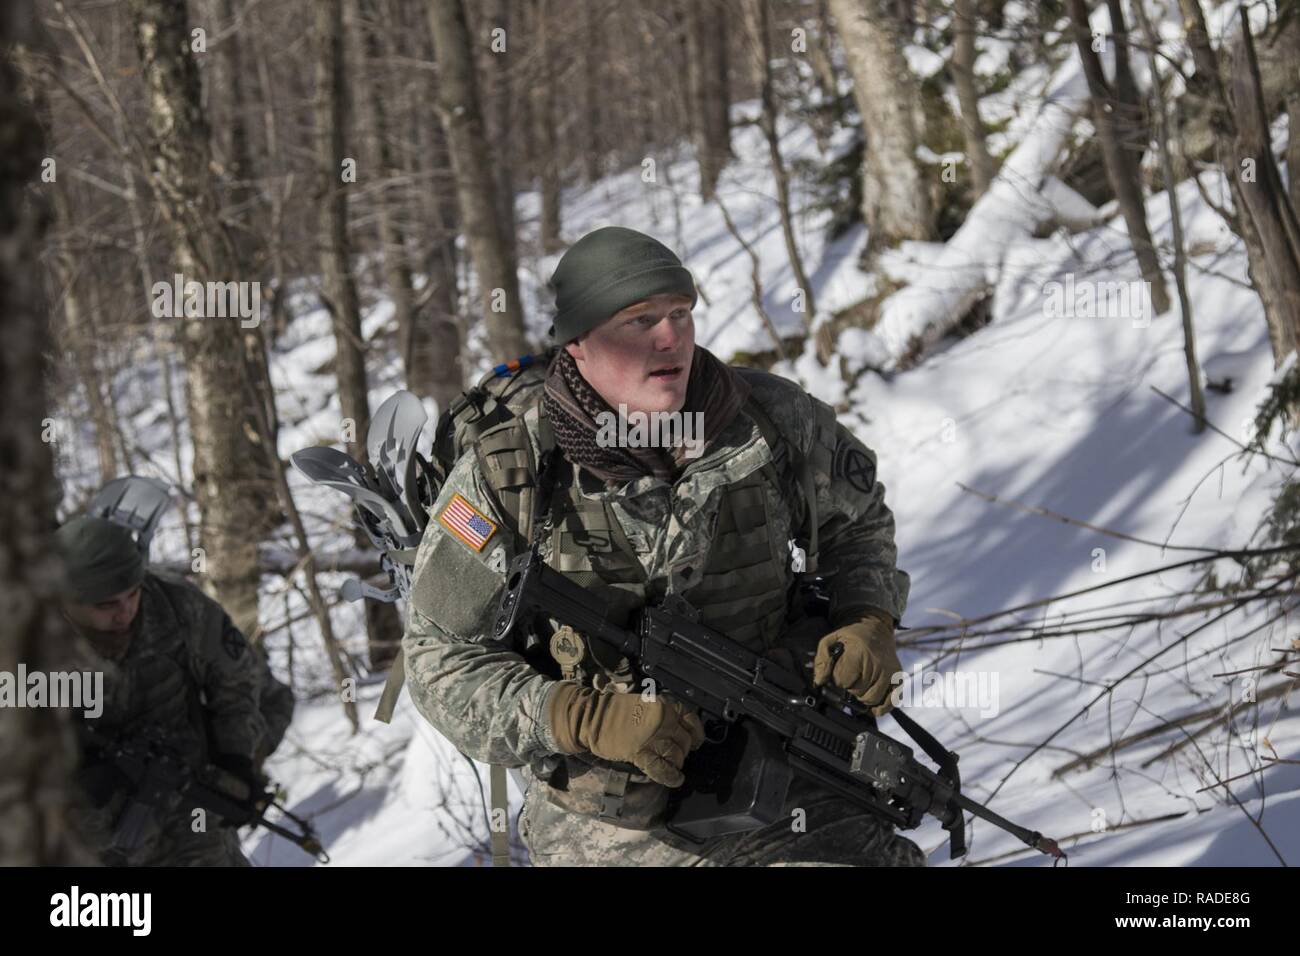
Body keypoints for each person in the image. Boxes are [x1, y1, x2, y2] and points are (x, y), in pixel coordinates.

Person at [403, 225, 924, 866]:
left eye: (681, 313)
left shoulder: (771, 420)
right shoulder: (509, 471)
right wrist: (576, 717)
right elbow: (438, 661)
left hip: (781, 764)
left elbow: (861, 522)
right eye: (638, 320)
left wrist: (866, 614)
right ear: (579, 343)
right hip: (615, 818)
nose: (669, 337)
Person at [56, 514, 293, 866]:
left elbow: (237, 683)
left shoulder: (175, 604)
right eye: (106, 605)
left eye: (132, 594)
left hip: (189, 810)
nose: (125, 612)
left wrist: (236, 759)